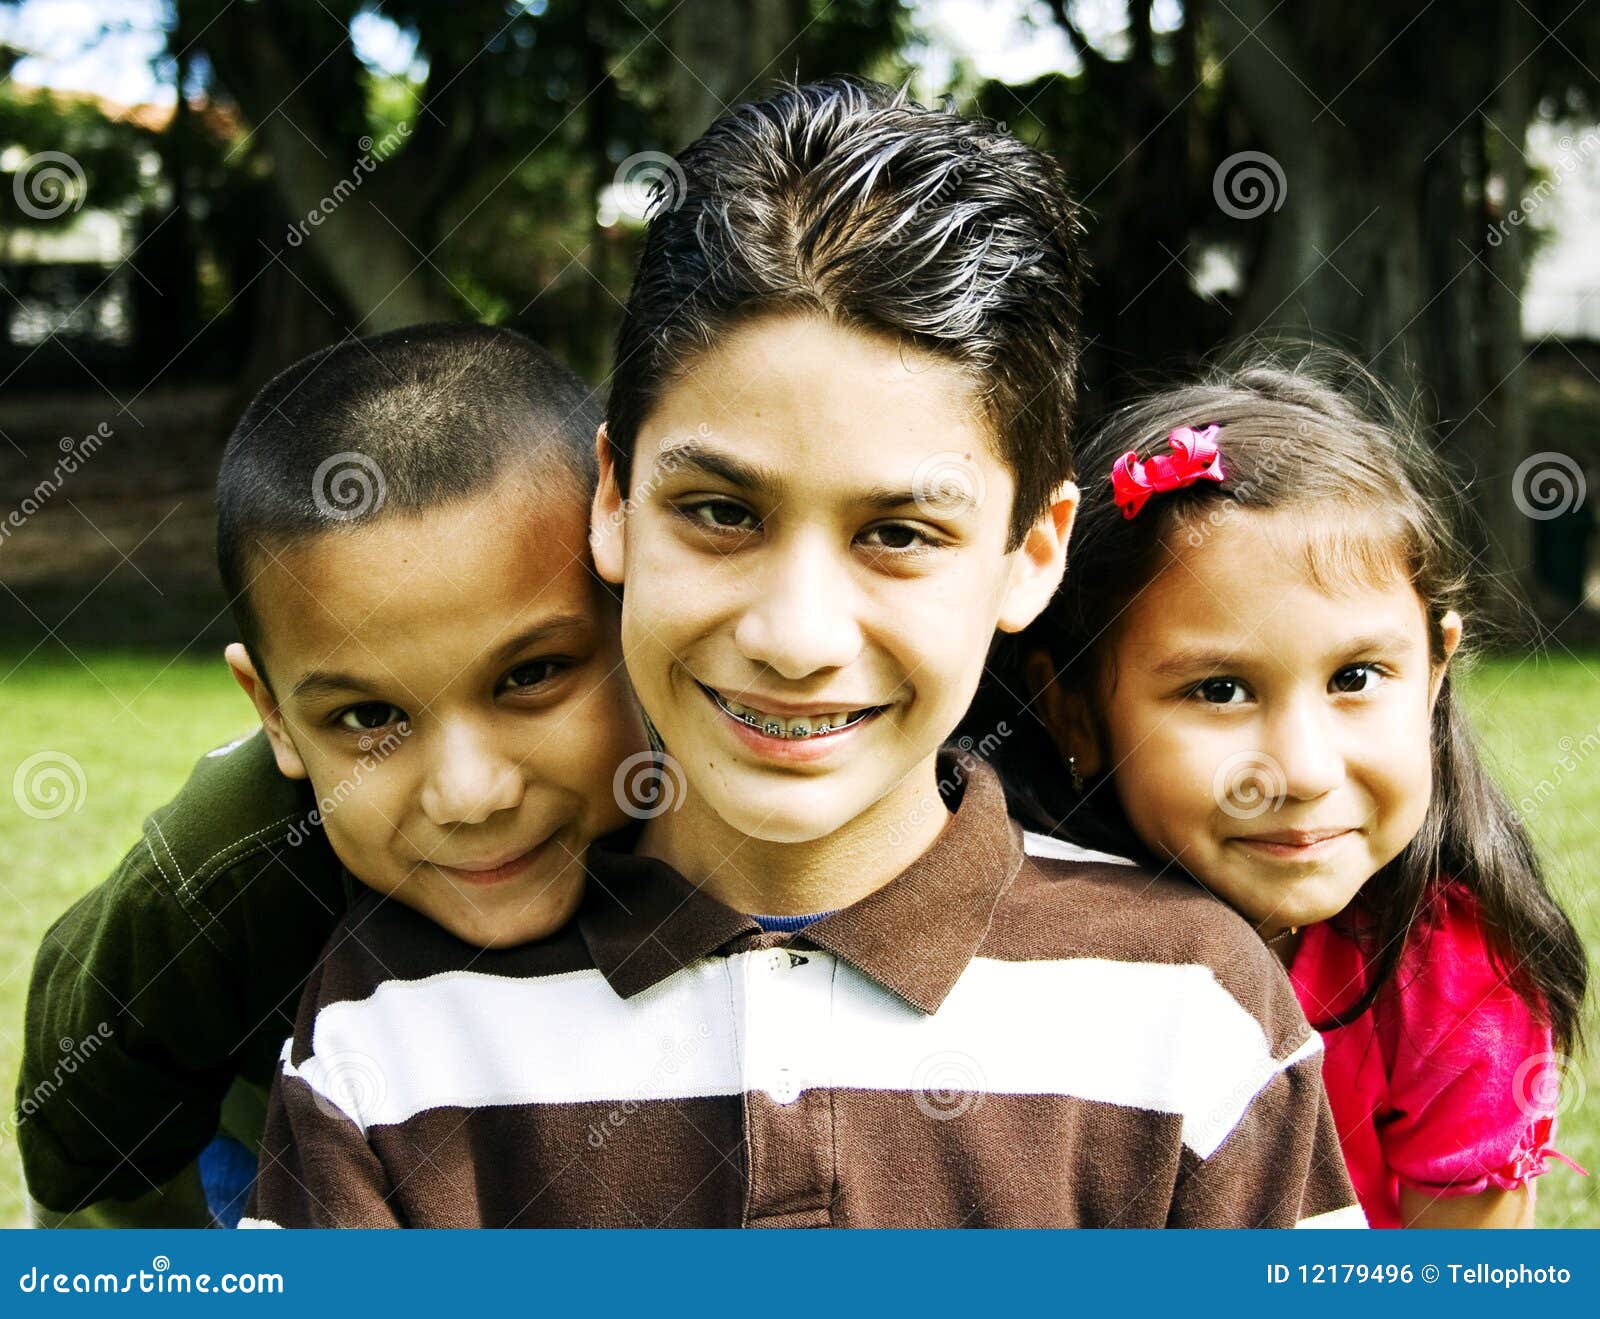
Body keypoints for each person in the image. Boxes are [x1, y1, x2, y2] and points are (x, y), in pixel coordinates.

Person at [243, 80, 1361, 1229]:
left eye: (898, 534)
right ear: (616, 499)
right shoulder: (393, 1022)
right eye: (722, 512)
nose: (794, 637)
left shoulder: (1196, 1019)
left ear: (1033, 552)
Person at [15, 322, 645, 1226]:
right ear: (271, 711)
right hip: (260, 1137)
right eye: (368, 717)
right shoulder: (222, 872)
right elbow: (90, 1153)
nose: (469, 793)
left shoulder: (735, 776)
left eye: (532, 674)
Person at [1014, 348, 1589, 1228]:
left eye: (1357, 677)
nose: (1305, 770)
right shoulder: (1013, 949)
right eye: (1220, 690)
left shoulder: (1450, 980)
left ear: (1435, 673)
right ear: (1078, 715)